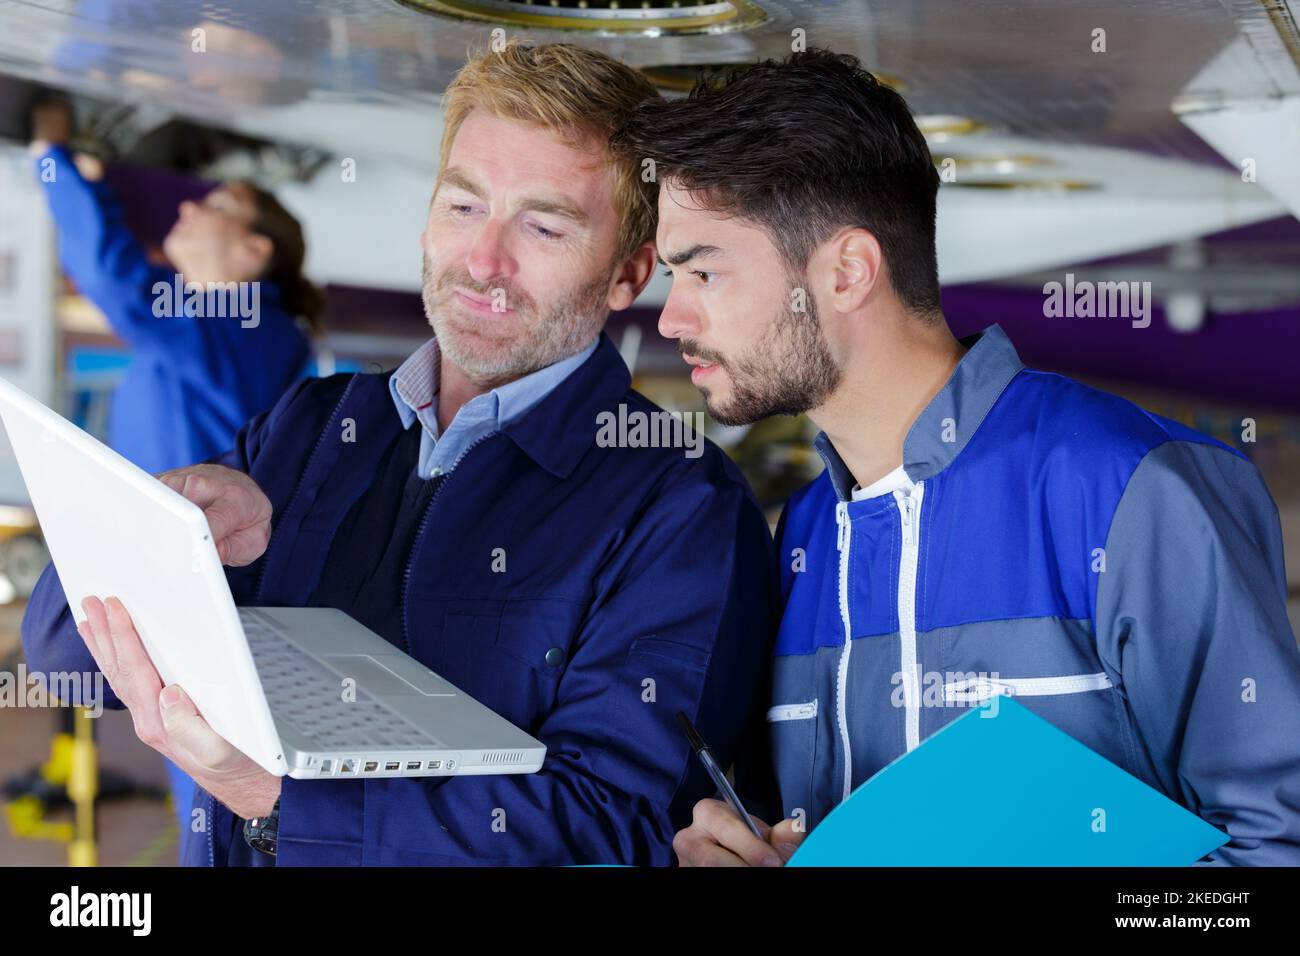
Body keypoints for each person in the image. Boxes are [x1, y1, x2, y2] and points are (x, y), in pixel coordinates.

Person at [23, 41, 775, 866]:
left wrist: (276, 800)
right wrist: (164, 521)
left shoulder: (681, 508)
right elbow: (71, 659)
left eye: (544, 225)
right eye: (462, 207)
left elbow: (612, 827)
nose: (483, 261)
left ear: (628, 274)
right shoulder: (308, 426)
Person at [615, 48, 1300, 865]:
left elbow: (1276, 853)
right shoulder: (801, 537)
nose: (671, 317)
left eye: (703, 271)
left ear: (846, 272)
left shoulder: (1134, 490)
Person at [29, 98, 317, 833]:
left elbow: (116, 278)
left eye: (218, 203)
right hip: (180, 610)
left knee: (225, 808)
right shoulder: (208, 334)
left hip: (211, 612)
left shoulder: (250, 325)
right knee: (214, 803)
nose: (191, 210)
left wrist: (52, 156)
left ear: (257, 253)